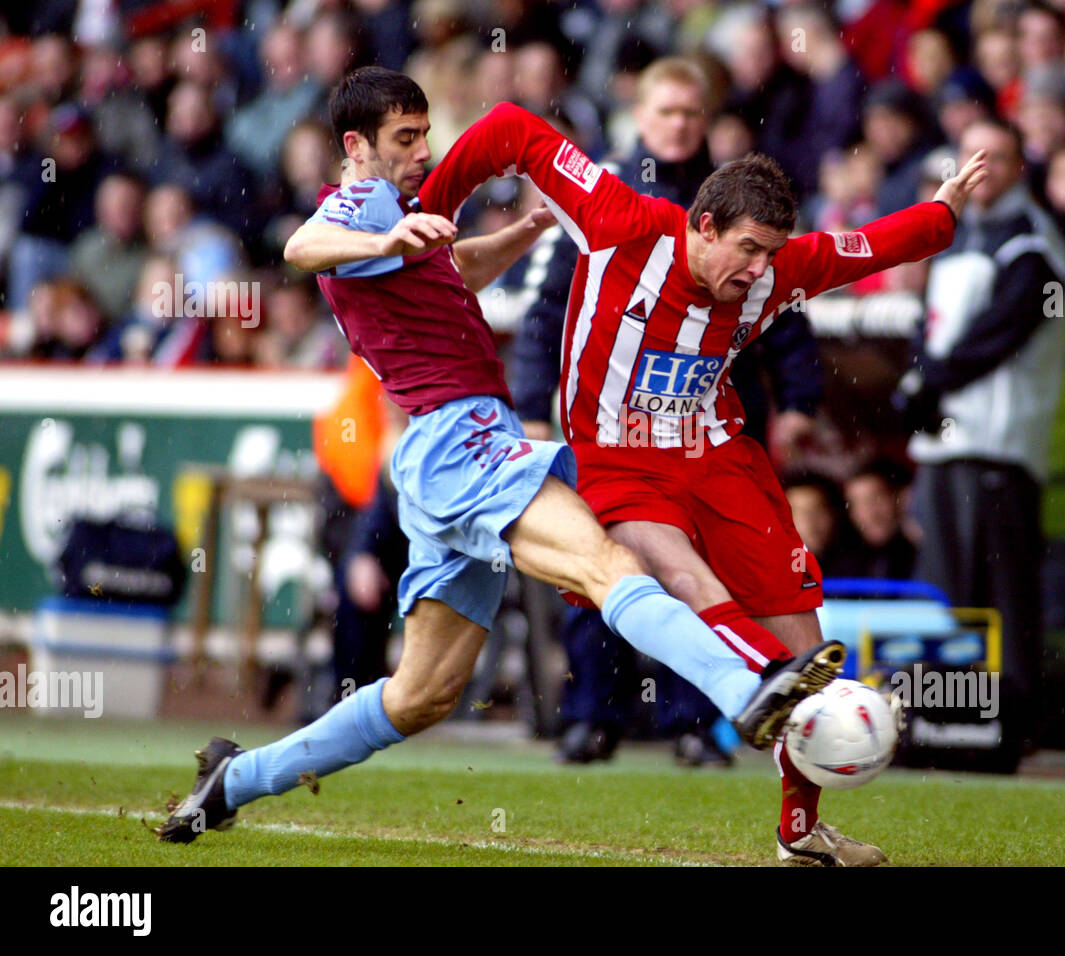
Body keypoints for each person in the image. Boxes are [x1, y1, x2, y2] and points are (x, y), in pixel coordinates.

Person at [158, 67, 843, 845]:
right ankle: (747, 688)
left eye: (426, 134)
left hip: (444, 454)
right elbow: (301, 245)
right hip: (464, 441)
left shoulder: (400, 217)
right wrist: (383, 235)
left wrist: (518, 236)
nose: (425, 152)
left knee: (420, 695)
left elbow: (449, 272)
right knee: (609, 564)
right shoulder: (366, 203)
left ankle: (235, 779)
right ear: (358, 145)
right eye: (406, 138)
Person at [415, 97, 986, 864]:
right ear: (704, 225)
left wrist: (942, 214)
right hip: (616, 459)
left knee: (806, 640)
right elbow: (512, 129)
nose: (759, 270)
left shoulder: (775, 272)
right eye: (748, 250)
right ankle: (763, 680)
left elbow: (867, 248)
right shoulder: (622, 218)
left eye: (771, 254)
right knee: (680, 574)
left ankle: (799, 830)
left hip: (718, 459)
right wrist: (430, 211)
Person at [512, 57, 822, 768]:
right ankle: (592, 715)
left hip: (711, 423)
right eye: (667, 111)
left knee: (711, 570)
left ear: (705, 118)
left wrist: (801, 398)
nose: (680, 125)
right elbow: (546, 308)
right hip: (614, 428)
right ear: (640, 116)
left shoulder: (740, 199)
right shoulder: (603, 192)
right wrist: (531, 406)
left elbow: (785, 300)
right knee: (607, 563)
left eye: (691, 112)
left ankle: (698, 722)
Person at [893, 118, 1065, 765]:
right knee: (946, 591)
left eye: (997, 156)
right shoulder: (960, 234)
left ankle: (1010, 723)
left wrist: (931, 381)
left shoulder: (1033, 244)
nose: (982, 167)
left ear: (1021, 167)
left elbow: (1000, 332)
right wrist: (919, 379)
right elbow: (934, 326)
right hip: (947, 443)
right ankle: (945, 722)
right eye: (972, 155)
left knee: (997, 593)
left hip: (998, 441)